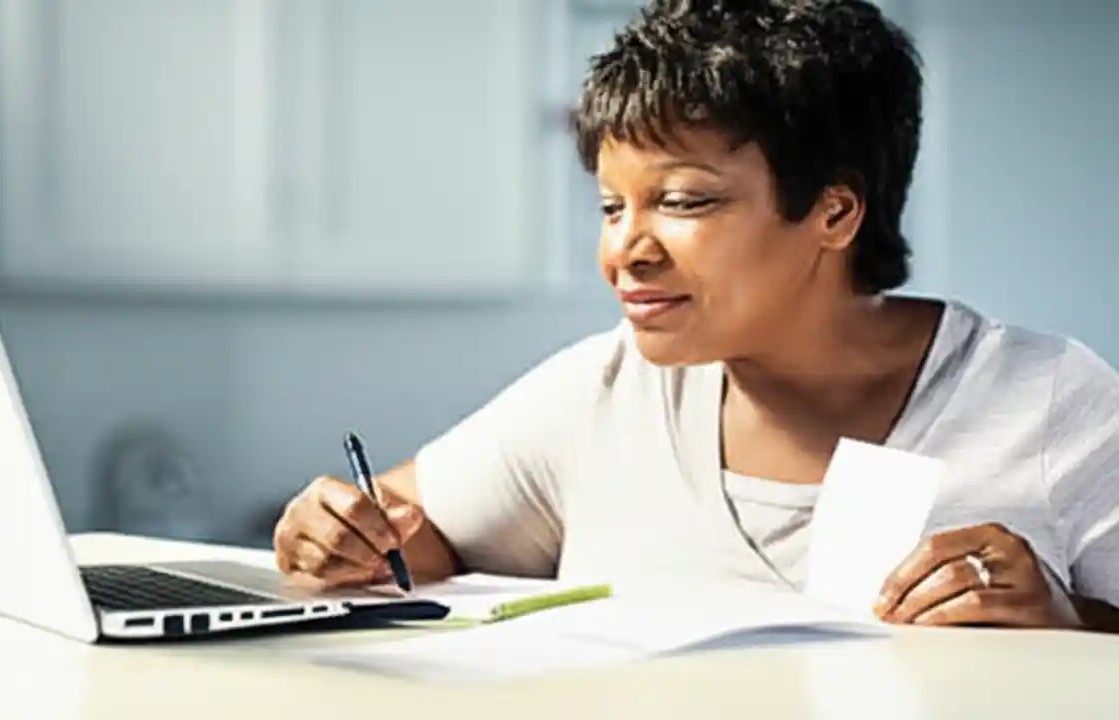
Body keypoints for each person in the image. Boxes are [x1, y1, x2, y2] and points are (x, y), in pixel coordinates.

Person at [272, 0, 1119, 631]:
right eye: (611, 208)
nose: (625, 251)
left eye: (682, 201)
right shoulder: (601, 392)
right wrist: (338, 537)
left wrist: (1067, 616)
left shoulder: (1048, 401)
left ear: (834, 213)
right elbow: (411, 534)